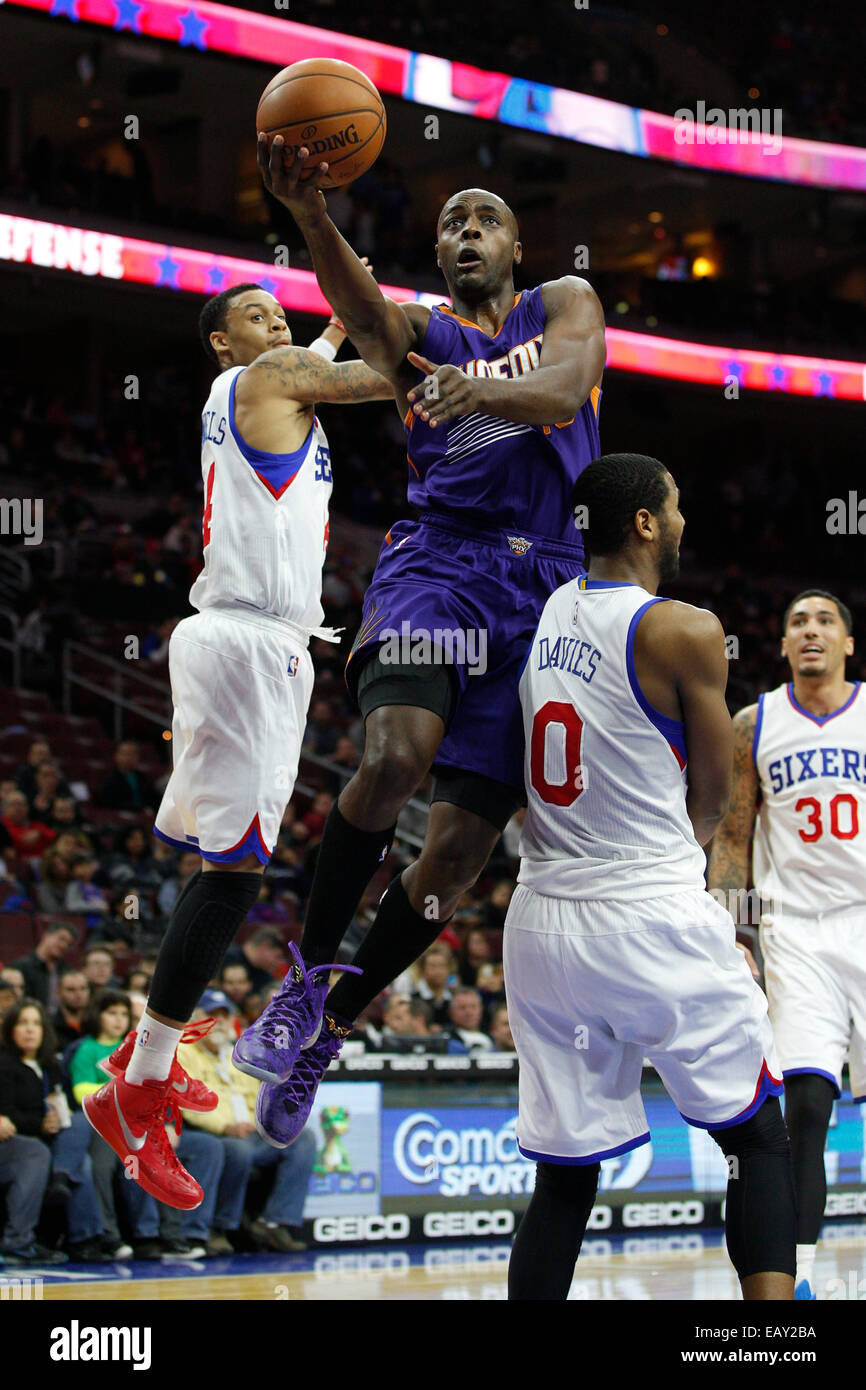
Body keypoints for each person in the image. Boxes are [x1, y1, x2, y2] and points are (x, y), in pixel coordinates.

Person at [241, 140, 605, 1150]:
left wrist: (473, 388)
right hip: (439, 564)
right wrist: (313, 214)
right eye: (451, 223)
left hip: (545, 595)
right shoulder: (420, 330)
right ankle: (304, 982)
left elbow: (564, 391)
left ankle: (331, 1032)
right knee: (395, 754)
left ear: (516, 245)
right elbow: (362, 322)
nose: (468, 232)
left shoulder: (564, 301)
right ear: (438, 254)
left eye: (485, 218)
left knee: (455, 853)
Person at [83, 277, 393, 1209]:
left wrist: (336, 322)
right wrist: (472, 351)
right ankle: (138, 1085)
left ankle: (143, 1066)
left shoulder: (275, 389)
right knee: (234, 872)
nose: (280, 325)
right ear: (223, 346)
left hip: (265, 644)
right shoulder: (259, 382)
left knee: (232, 868)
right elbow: (381, 379)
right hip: (247, 639)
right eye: (259, 316)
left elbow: (330, 363)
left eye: (283, 315)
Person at [504, 453, 797, 1301]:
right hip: (647, 909)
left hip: (542, 919)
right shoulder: (685, 629)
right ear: (644, 523)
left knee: (564, 1176)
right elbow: (714, 795)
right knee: (755, 1138)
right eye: (673, 507)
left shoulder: (550, 607)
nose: (680, 522)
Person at [707, 588, 866, 1302]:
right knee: (803, 1104)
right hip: (794, 929)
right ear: (780, 644)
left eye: (825, 621)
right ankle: (795, 1277)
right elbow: (733, 836)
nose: (810, 630)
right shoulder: (754, 723)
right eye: (796, 621)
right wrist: (734, 932)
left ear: (847, 643)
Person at [177, 993, 316, 1254]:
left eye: (224, 1016)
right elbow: (188, 1101)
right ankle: (220, 1227)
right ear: (196, 1019)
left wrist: (264, 1124)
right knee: (235, 1150)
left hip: (249, 1133)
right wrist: (226, 1127)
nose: (218, 1022)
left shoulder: (239, 1053)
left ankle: (276, 1222)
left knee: (302, 1138)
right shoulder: (183, 1053)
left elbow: (259, 1096)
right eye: (211, 1015)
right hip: (214, 1134)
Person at [0, 999, 104, 1264]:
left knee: (81, 1122)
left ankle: (83, 1239)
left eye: (36, 1023)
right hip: (18, 1141)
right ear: (10, 1029)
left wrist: (58, 1117)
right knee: (51, 1155)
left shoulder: (50, 1066)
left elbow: (60, 1105)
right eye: (23, 1023)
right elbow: (7, 1117)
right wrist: (41, 1123)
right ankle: (17, 1243)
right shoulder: (5, 1065)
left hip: (48, 1138)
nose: (30, 1029)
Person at [12, 921, 77, 1010]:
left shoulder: (66, 970)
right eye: (61, 939)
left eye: (68, 944)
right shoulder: (22, 966)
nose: (64, 945)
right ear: (46, 935)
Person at [221, 925, 286, 995]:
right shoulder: (226, 958)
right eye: (277, 956)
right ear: (264, 948)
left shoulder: (264, 975)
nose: (279, 963)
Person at [97, 741, 160, 813]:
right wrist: (139, 810)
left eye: (133, 754)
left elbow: (154, 800)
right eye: (126, 754)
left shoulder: (144, 778)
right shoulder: (110, 780)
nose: (130, 757)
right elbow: (110, 804)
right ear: (117, 756)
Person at [446, 987, 494, 1053]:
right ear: (451, 1012)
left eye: (473, 1007)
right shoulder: (446, 1040)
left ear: (481, 1009)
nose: (469, 1012)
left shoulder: (494, 1037)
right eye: (462, 1007)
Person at [51, 970, 90, 1051]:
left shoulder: (96, 1025)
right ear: (58, 992)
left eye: (83, 988)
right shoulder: (50, 1026)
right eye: (71, 990)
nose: (78, 994)